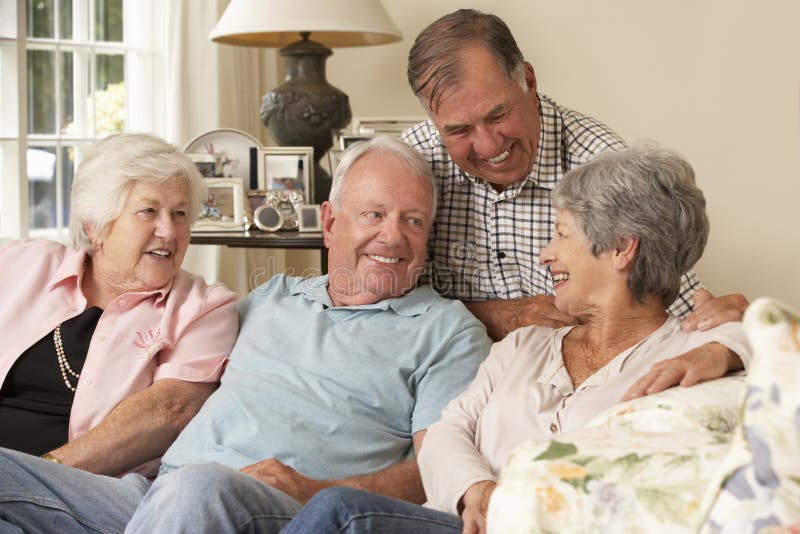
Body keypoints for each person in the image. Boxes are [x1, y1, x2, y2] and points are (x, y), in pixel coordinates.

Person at [0, 136, 492, 533]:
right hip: (148, 499)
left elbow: (438, 463)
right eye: (374, 215)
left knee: (199, 488)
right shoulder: (272, 297)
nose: (393, 236)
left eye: (414, 221)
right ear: (328, 222)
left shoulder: (446, 332)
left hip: (274, 508)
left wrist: (321, 489)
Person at [278, 145, 752, 534]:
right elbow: (446, 433)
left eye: (562, 234)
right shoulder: (526, 347)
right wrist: (476, 489)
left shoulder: (693, 356)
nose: (546, 255)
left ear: (621, 249)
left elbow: (780, 374)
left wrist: (738, 342)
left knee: (340, 512)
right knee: (340, 513)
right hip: (465, 524)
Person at [402, 8, 748, 346]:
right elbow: (364, 296)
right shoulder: (407, 165)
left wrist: (730, 336)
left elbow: (673, 312)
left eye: (498, 115)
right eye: (459, 130)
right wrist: (493, 315)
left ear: (529, 81)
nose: (489, 145)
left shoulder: (599, 163)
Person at [0, 133, 238, 478]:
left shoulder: (203, 308)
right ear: (94, 225)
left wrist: (32, 478)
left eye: (180, 213)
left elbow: (169, 411)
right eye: (149, 211)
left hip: (81, 496)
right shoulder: (21, 264)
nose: (169, 231)